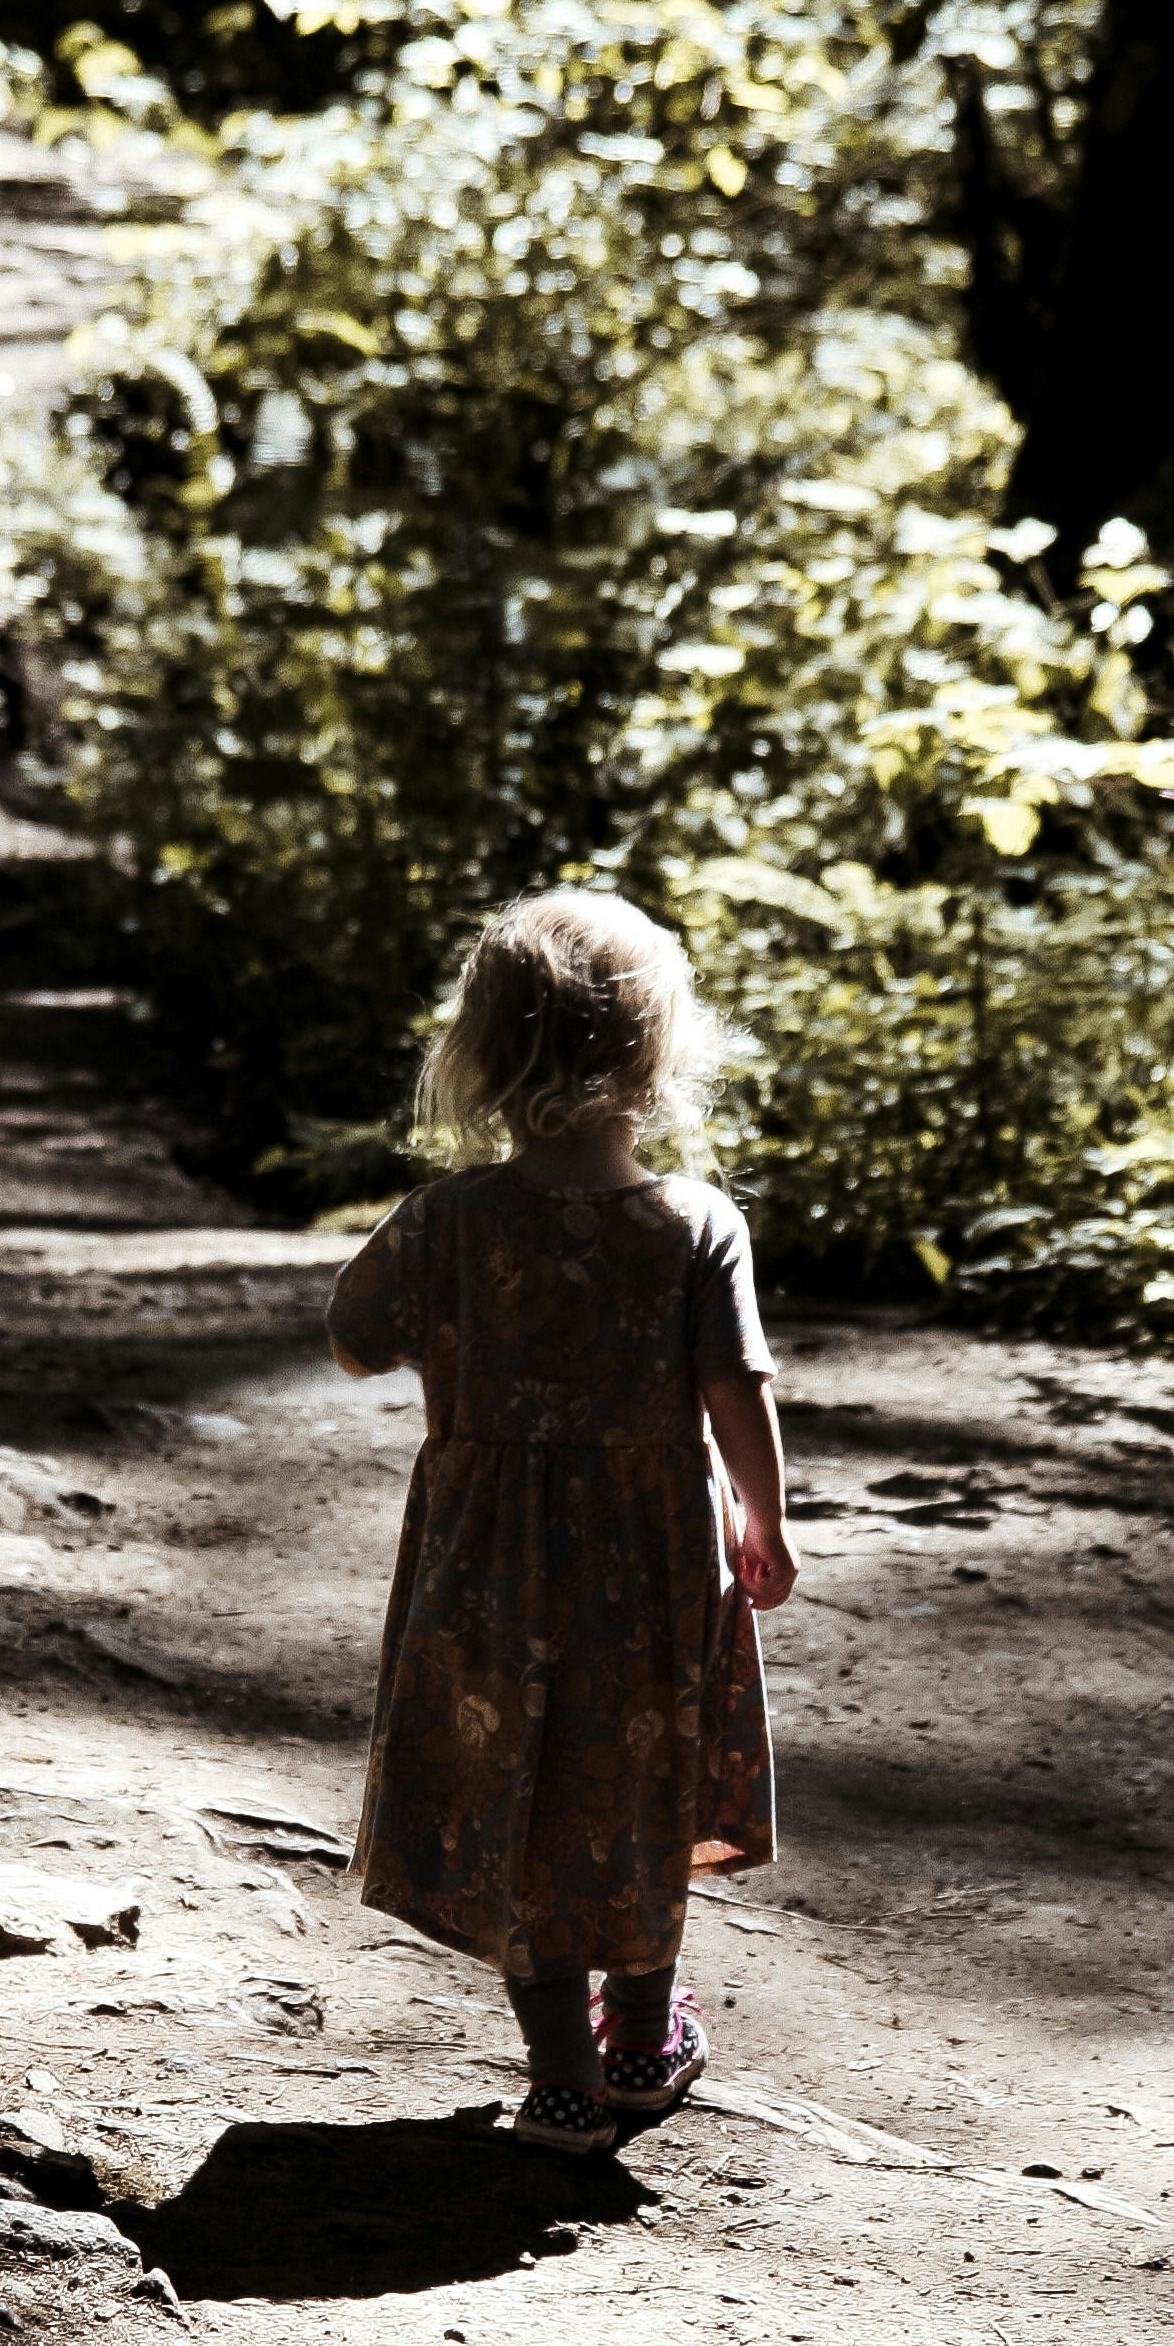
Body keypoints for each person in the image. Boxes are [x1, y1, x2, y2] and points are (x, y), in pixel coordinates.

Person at [325, 888, 798, 2152]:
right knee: (640, 1773)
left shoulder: (446, 1223)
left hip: (484, 1568)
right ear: (658, 1053)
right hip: (649, 1561)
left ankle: (560, 2077)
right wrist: (766, 1518)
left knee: (510, 1788)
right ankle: (642, 2040)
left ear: (477, 1060)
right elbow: (733, 1390)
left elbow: (354, 1339)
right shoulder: (694, 1224)